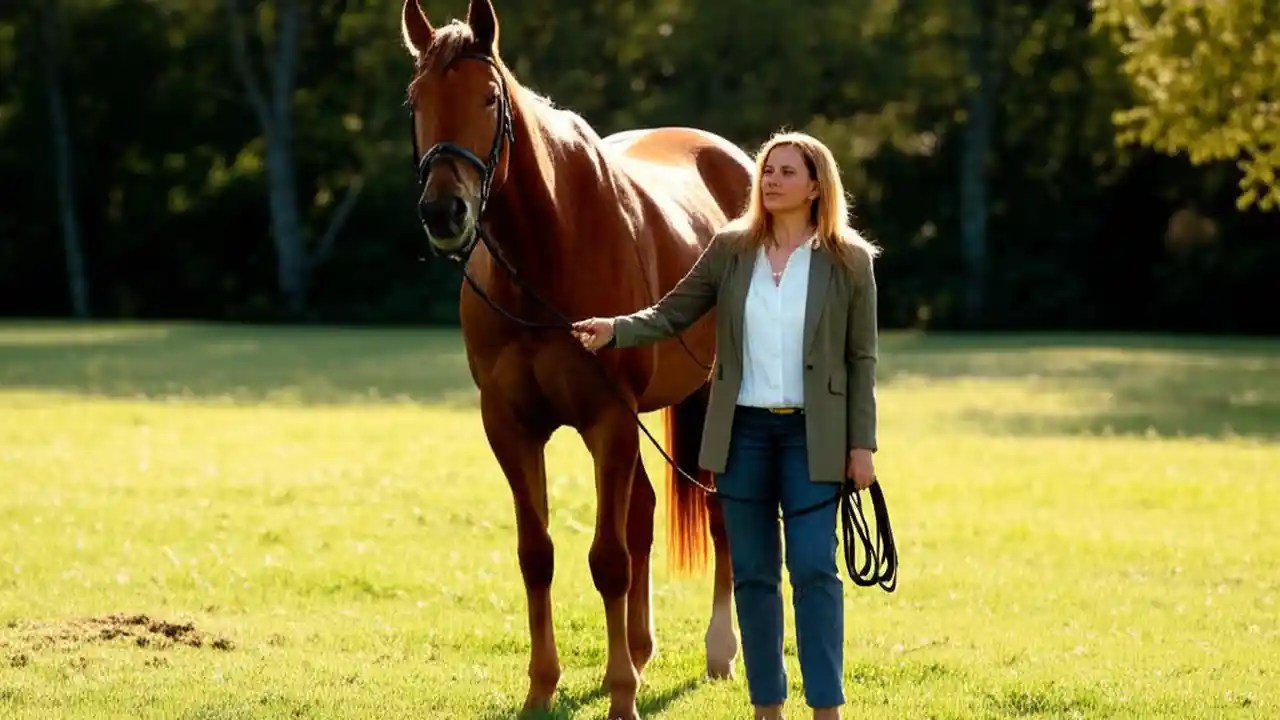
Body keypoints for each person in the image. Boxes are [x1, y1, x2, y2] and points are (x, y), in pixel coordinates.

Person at [572, 130, 880, 720]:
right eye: (767, 170)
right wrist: (617, 328)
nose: (771, 179)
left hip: (814, 437)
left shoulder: (849, 260)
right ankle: (767, 707)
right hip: (744, 436)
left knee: (815, 568)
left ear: (817, 185)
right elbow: (673, 312)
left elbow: (862, 359)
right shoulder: (731, 248)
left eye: (787, 171)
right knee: (756, 575)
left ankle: (827, 708)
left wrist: (861, 444)